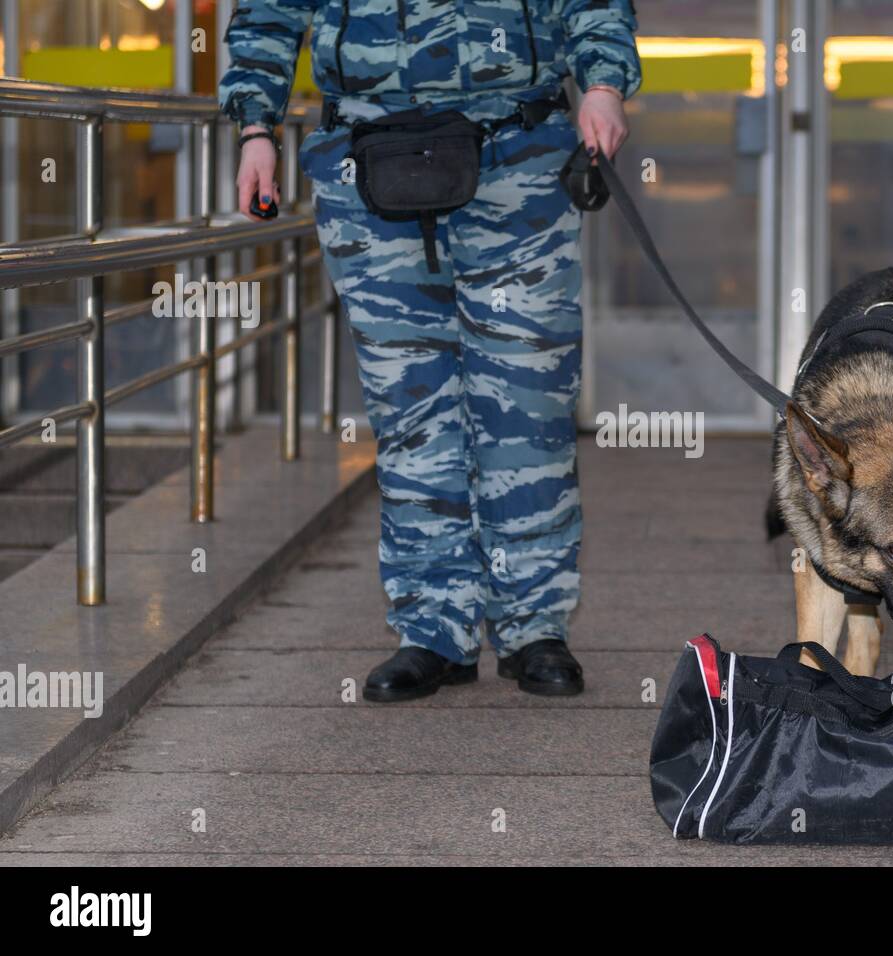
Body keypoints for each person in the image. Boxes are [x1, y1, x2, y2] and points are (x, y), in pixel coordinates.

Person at [219, 1, 640, 700]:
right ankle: (432, 629)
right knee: (410, 412)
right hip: (370, 169)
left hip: (518, 162)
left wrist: (603, 83)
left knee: (527, 406)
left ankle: (534, 626)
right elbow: (268, 11)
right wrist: (255, 127)